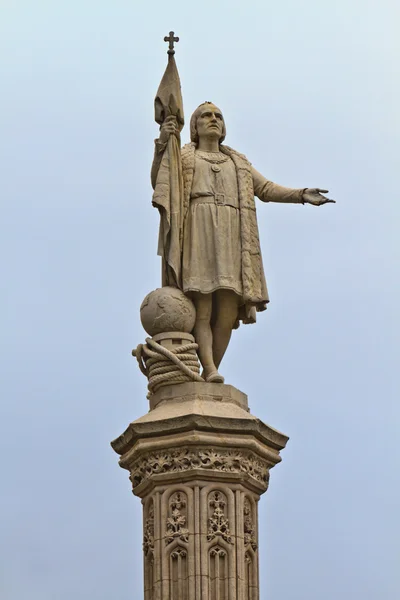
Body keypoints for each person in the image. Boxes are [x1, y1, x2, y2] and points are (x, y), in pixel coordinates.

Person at [151, 102, 334, 383]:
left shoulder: (238, 162)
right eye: (206, 116)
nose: (213, 120)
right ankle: (209, 370)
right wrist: (164, 141)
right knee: (202, 307)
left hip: (231, 231)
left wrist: (300, 194)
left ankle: (207, 369)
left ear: (224, 128)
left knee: (226, 309)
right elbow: (161, 182)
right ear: (195, 127)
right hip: (198, 228)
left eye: (218, 116)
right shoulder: (185, 157)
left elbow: (266, 189)